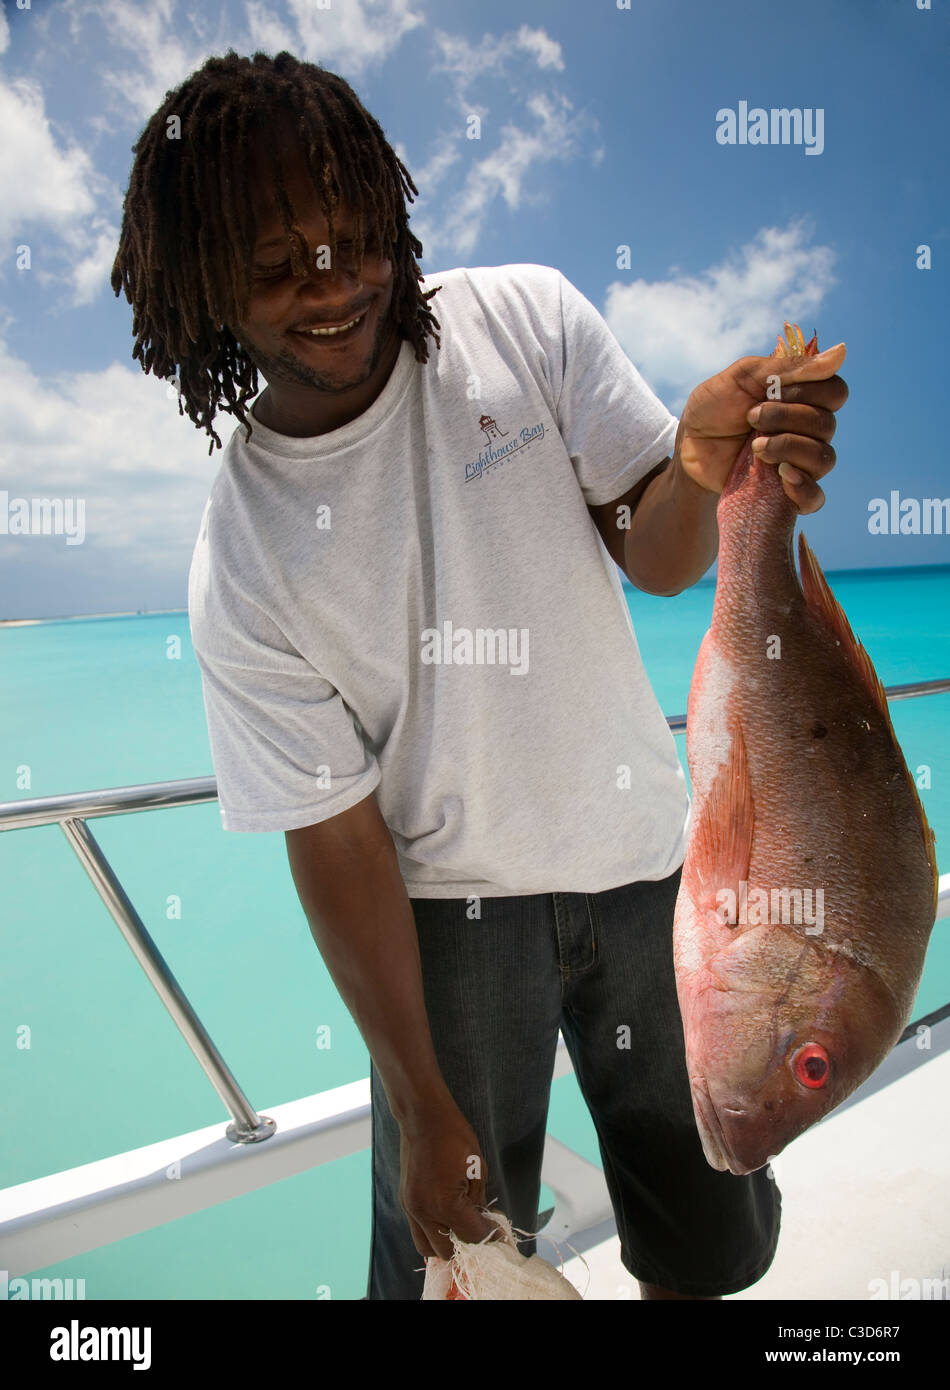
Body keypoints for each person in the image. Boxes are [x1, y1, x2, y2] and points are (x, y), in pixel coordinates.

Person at [111, 49, 848, 1301]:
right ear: (201, 291)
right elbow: (335, 838)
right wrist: (413, 1094)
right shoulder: (242, 556)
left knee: (710, 1224)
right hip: (451, 923)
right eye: (278, 266)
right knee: (445, 1257)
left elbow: (656, 554)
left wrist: (699, 464)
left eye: (352, 238)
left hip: (645, 863)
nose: (333, 285)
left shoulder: (525, 317)